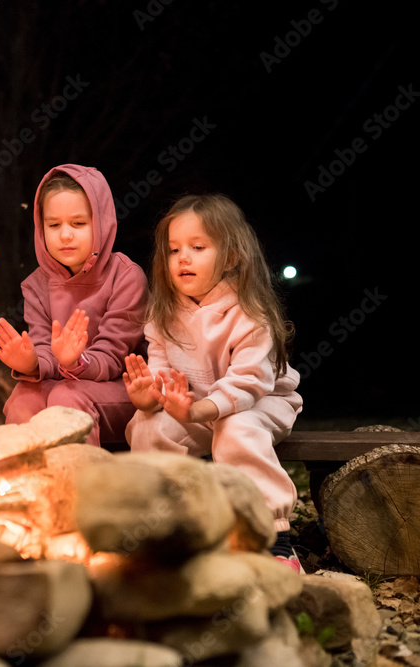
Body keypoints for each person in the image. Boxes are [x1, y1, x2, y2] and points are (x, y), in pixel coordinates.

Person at [122, 193, 304, 572]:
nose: (182, 258)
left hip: (260, 403)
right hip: (195, 406)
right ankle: (170, 525)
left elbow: (248, 383)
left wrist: (201, 409)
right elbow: (161, 373)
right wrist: (149, 398)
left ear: (232, 256)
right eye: (174, 250)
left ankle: (272, 538)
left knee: (236, 426)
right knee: (148, 427)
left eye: (197, 247)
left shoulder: (249, 313)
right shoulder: (164, 314)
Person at [0, 164, 148, 447]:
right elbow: (44, 349)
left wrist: (75, 360)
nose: (65, 235)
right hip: (62, 383)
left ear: (100, 222)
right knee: (23, 399)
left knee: (66, 398)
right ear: (41, 227)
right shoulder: (36, 284)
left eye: (78, 223)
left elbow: (113, 357)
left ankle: (82, 485)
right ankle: (24, 485)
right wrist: (32, 363)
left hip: (124, 390)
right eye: (54, 225)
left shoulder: (125, 276)